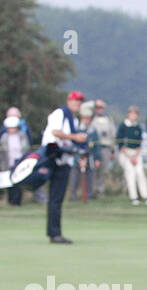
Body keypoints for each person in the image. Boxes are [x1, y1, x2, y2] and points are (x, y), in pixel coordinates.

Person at [43, 90, 88, 243]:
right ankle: (55, 234)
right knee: (55, 197)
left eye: (79, 101)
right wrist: (75, 137)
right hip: (55, 158)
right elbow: (55, 132)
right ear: (69, 101)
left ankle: (54, 231)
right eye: (75, 100)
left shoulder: (73, 120)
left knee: (57, 197)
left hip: (66, 159)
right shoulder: (60, 114)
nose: (77, 103)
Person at [116, 106, 147, 205]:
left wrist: (135, 156)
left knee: (140, 173)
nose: (133, 116)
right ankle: (134, 197)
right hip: (126, 153)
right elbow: (120, 144)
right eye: (131, 113)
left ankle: (145, 196)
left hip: (136, 153)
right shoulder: (123, 126)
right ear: (128, 114)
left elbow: (139, 144)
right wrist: (130, 157)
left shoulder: (138, 127)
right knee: (130, 173)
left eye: (135, 114)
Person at [0, 116, 29, 206]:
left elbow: (26, 148)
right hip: (8, 162)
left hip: (19, 161)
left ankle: (18, 202)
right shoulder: (4, 137)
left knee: (18, 182)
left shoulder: (22, 135)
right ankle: (10, 201)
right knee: (9, 183)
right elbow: (1, 152)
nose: (12, 130)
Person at [89, 101, 116, 197]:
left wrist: (113, 151)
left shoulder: (109, 120)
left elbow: (113, 135)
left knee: (103, 171)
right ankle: (90, 191)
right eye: (97, 107)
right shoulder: (92, 119)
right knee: (93, 170)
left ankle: (100, 191)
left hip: (106, 148)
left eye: (101, 107)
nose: (99, 109)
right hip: (94, 148)